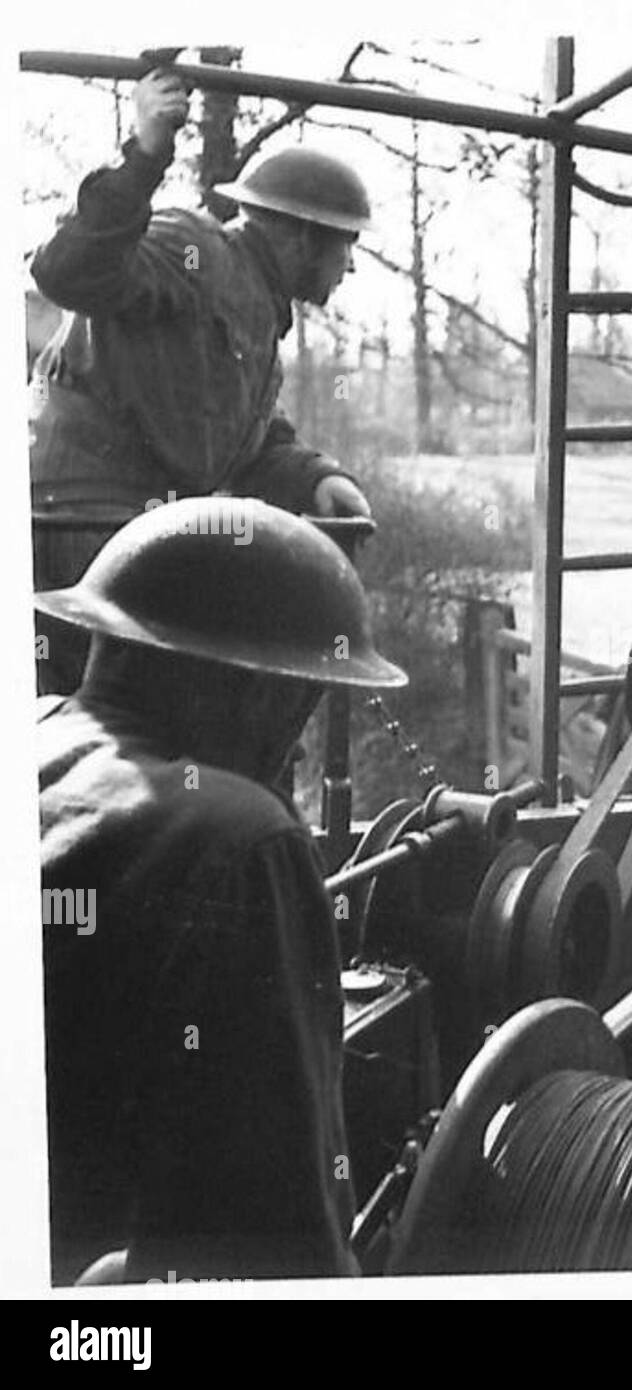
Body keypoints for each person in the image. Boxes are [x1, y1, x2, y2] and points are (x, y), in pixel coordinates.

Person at [37, 498, 407, 1284]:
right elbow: (276, 1255)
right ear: (249, 690)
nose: (300, 740)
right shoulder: (236, 840)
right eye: (301, 698)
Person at [29, 66, 372, 690]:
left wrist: (318, 479)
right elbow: (67, 271)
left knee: (192, 711)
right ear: (299, 235)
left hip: (133, 532)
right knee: (139, 723)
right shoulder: (194, 248)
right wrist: (145, 155)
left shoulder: (258, 308)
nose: (349, 266)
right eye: (345, 244)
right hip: (77, 524)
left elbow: (246, 436)